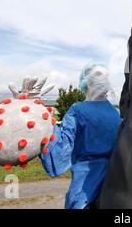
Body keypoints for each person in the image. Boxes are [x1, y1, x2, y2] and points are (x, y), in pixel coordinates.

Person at [40, 64, 122, 209]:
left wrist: (42, 118)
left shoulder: (77, 110)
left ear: (86, 83)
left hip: (85, 186)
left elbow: (60, 150)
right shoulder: (116, 113)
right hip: (116, 182)